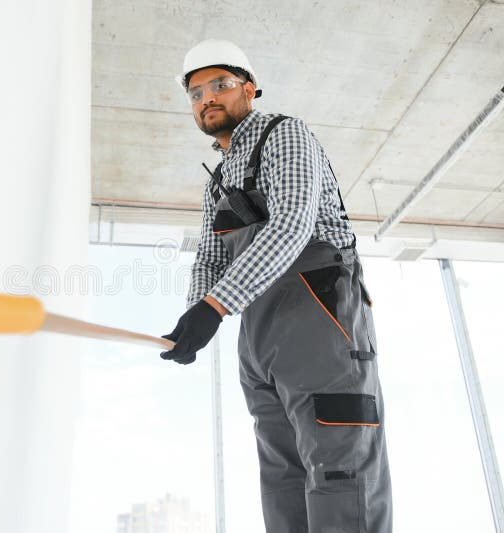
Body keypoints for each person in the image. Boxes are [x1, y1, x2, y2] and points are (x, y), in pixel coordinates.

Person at [159, 39, 393, 532]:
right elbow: (210, 257)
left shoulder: (283, 135)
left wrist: (216, 306)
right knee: (282, 476)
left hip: (321, 317)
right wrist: (193, 315)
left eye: (219, 85)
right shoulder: (218, 179)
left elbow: (290, 225)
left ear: (248, 88)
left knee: (339, 466)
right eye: (196, 92)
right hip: (259, 334)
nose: (207, 98)